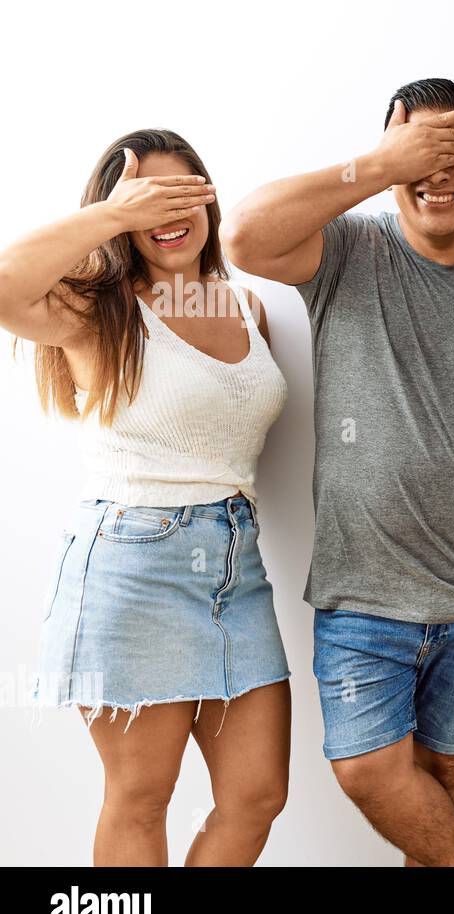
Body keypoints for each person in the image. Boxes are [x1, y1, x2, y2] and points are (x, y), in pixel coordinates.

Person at [222, 79, 454, 868]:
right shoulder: (346, 248)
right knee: (366, 769)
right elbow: (242, 238)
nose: (436, 171)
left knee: (448, 765)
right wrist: (379, 163)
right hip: (362, 590)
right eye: (417, 151)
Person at [0, 129, 291, 865]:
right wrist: (107, 217)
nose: (166, 213)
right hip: (132, 560)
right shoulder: (94, 309)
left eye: (181, 192)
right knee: (142, 796)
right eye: (144, 199)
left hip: (236, 567)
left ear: (210, 195)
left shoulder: (247, 309)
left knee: (256, 795)